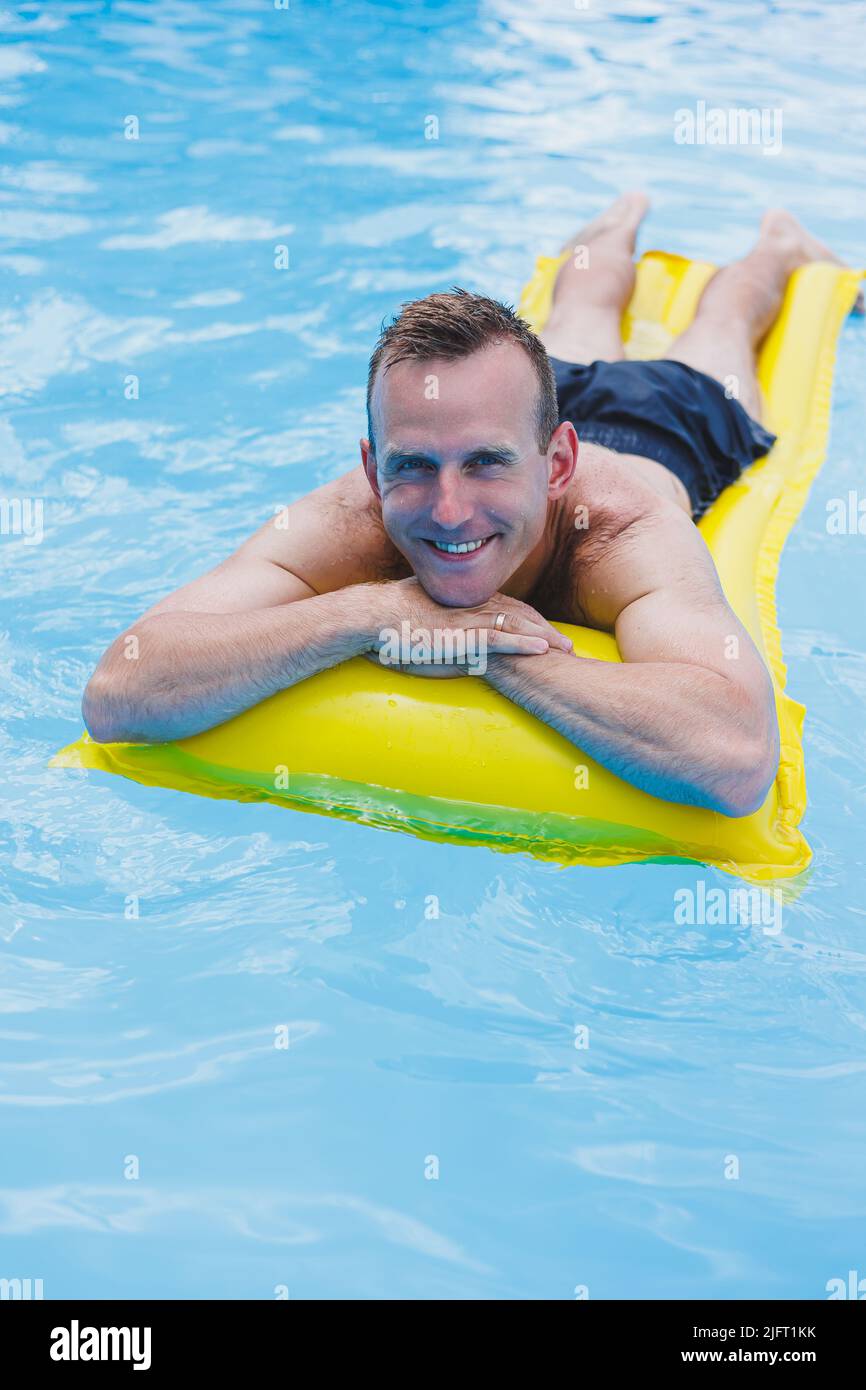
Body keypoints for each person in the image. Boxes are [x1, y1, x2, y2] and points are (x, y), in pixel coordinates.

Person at [82, 193, 860, 815]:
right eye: (414, 468)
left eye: (484, 467)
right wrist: (369, 615)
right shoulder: (352, 518)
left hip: (661, 428)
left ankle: (777, 246)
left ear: (558, 463)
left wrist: (487, 649)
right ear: (372, 467)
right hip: (509, 398)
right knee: (580, 308)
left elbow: (735, 754)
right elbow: (121, 687)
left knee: (722, 326)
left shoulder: (621, 534)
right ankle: (620, 217)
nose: (449, 512)